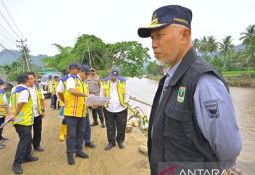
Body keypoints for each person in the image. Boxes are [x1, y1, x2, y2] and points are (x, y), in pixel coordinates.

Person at [137, 5, 242, 175]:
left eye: (159, 36)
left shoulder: (204, 82)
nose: (153, 45)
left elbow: (228, 148)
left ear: (184, 35)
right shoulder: (169, 79)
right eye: (152, 38)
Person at [10, 74, 38, 174]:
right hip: (23, 121)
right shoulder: (25, 91)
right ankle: (16, 163)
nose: (31, 81)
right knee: (24, 142)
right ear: (27, 81)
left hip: (19, 121)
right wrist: (15, 115)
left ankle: (27, 156)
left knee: (27, 139)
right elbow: (20, 104)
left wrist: (13, 115)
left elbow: (11, 105)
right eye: (29, 79)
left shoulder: (14, 90)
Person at [64, 65, 90, 165]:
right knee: (71, 135)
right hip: (72, 113)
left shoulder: (84, 83)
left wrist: (93, 102)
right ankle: (70, 155)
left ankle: (79, 151)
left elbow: (85, 98)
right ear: (82, 72)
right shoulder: (72, 79)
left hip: (82, 113)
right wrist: (86, 95)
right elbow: (72, 91)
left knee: (81, 133)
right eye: (87, 74)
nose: (87, 76)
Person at [100, 67, 130, 151]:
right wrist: (102, 103)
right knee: (110, 126)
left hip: (121, 107)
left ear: (118, 76)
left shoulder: (123, 81)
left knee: (121, 126)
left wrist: (126, 102)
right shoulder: (104, 81)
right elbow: (101, 93)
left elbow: (127, 93)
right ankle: (111, 142)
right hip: (108, 107)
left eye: (115, 77)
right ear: (109, 74)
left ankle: (120, 141)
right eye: (112, 76)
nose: (113, 78)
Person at [57, 63, 79, 141]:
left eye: (76, 69)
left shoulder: (79, 79)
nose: (75, 70)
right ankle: (62, 133)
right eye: (72, 69)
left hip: (78, 104)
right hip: (67, 104)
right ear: (70, 70)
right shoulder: (64, 79)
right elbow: (59, 92)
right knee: (66, 119)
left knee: (76, 120)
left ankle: (73, 133)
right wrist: (63, 101)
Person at [26, 72, 45, 152]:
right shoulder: (24, 89)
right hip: (28, 115)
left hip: (37, 113)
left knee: (38, 130)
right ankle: (27, 148)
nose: (30, 80)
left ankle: (36, 145)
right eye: (28, 79)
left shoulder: (38, 88)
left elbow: (42, 99)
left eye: (31, 78)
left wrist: (43, 110)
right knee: (27, 133)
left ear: (34, 79)